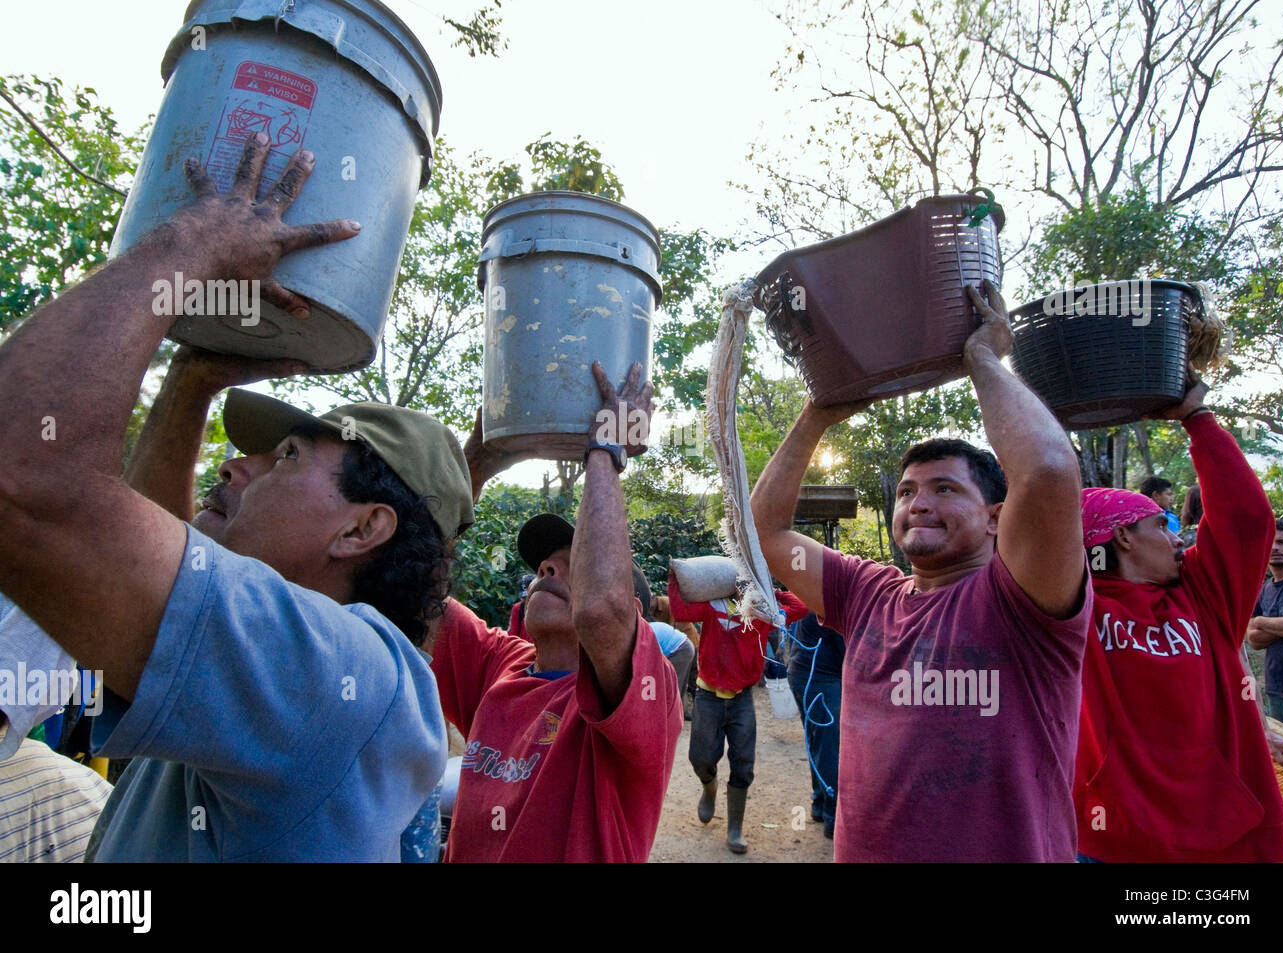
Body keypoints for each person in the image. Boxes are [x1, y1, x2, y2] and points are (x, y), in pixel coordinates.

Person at [0, 135, 463, 860]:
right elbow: (153, 537)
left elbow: (21, 475)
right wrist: (191, 376)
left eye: (283, 456)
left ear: (362, 527)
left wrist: (189, 248)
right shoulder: (262, 663)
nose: (233, 465)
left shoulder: (338, 669)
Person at [750, 281, 1093, 862]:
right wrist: (817, 415)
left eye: (944, 488)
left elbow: (1049, 470)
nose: (918, 503)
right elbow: (763, 532)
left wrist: (983, 357)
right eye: (907, 490)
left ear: (996, 518)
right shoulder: (863, 592)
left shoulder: (1025, 596)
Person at [428, 362, 682, 862]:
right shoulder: (497, 667)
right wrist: (481, 455)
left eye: (573, 566)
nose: (546, 570)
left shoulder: (643, 696)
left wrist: (605, 449)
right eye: (546, 564)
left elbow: (601, 613)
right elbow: (413, 575)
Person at [1075, 371, 1283, 862]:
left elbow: (1245, 520)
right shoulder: (1074, 607)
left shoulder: (1202, 593)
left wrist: (1197, 420)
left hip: (1224, 828)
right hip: (1115, 837)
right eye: (1160, 525)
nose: (1178, 538)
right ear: (1123, 536)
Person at [667, 571, 808, 854]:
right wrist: (675, 580)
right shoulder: (712, 605)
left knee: (743, 762)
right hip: (708, 695)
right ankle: (709, 788)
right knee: (701, 758)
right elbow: (681, 610)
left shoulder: (763, 611)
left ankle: (735, 829)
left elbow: (800, 607)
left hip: (742, 698)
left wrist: (773, 592)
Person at [787, 614, 845, 839]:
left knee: (817, 742)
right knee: (828, 746)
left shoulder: (813, 592)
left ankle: (820, 804)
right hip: (821, 679)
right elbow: (847, 649)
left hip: (803, 675)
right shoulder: (832, 603)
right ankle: (832, 815)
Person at [1248, 521, 1283, 724]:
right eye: (1269, 542)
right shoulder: (1263, 589)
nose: (1274, 548)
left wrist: (1261, 621)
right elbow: (1254, 640)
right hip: (1277, 688)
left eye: (1281, 542)